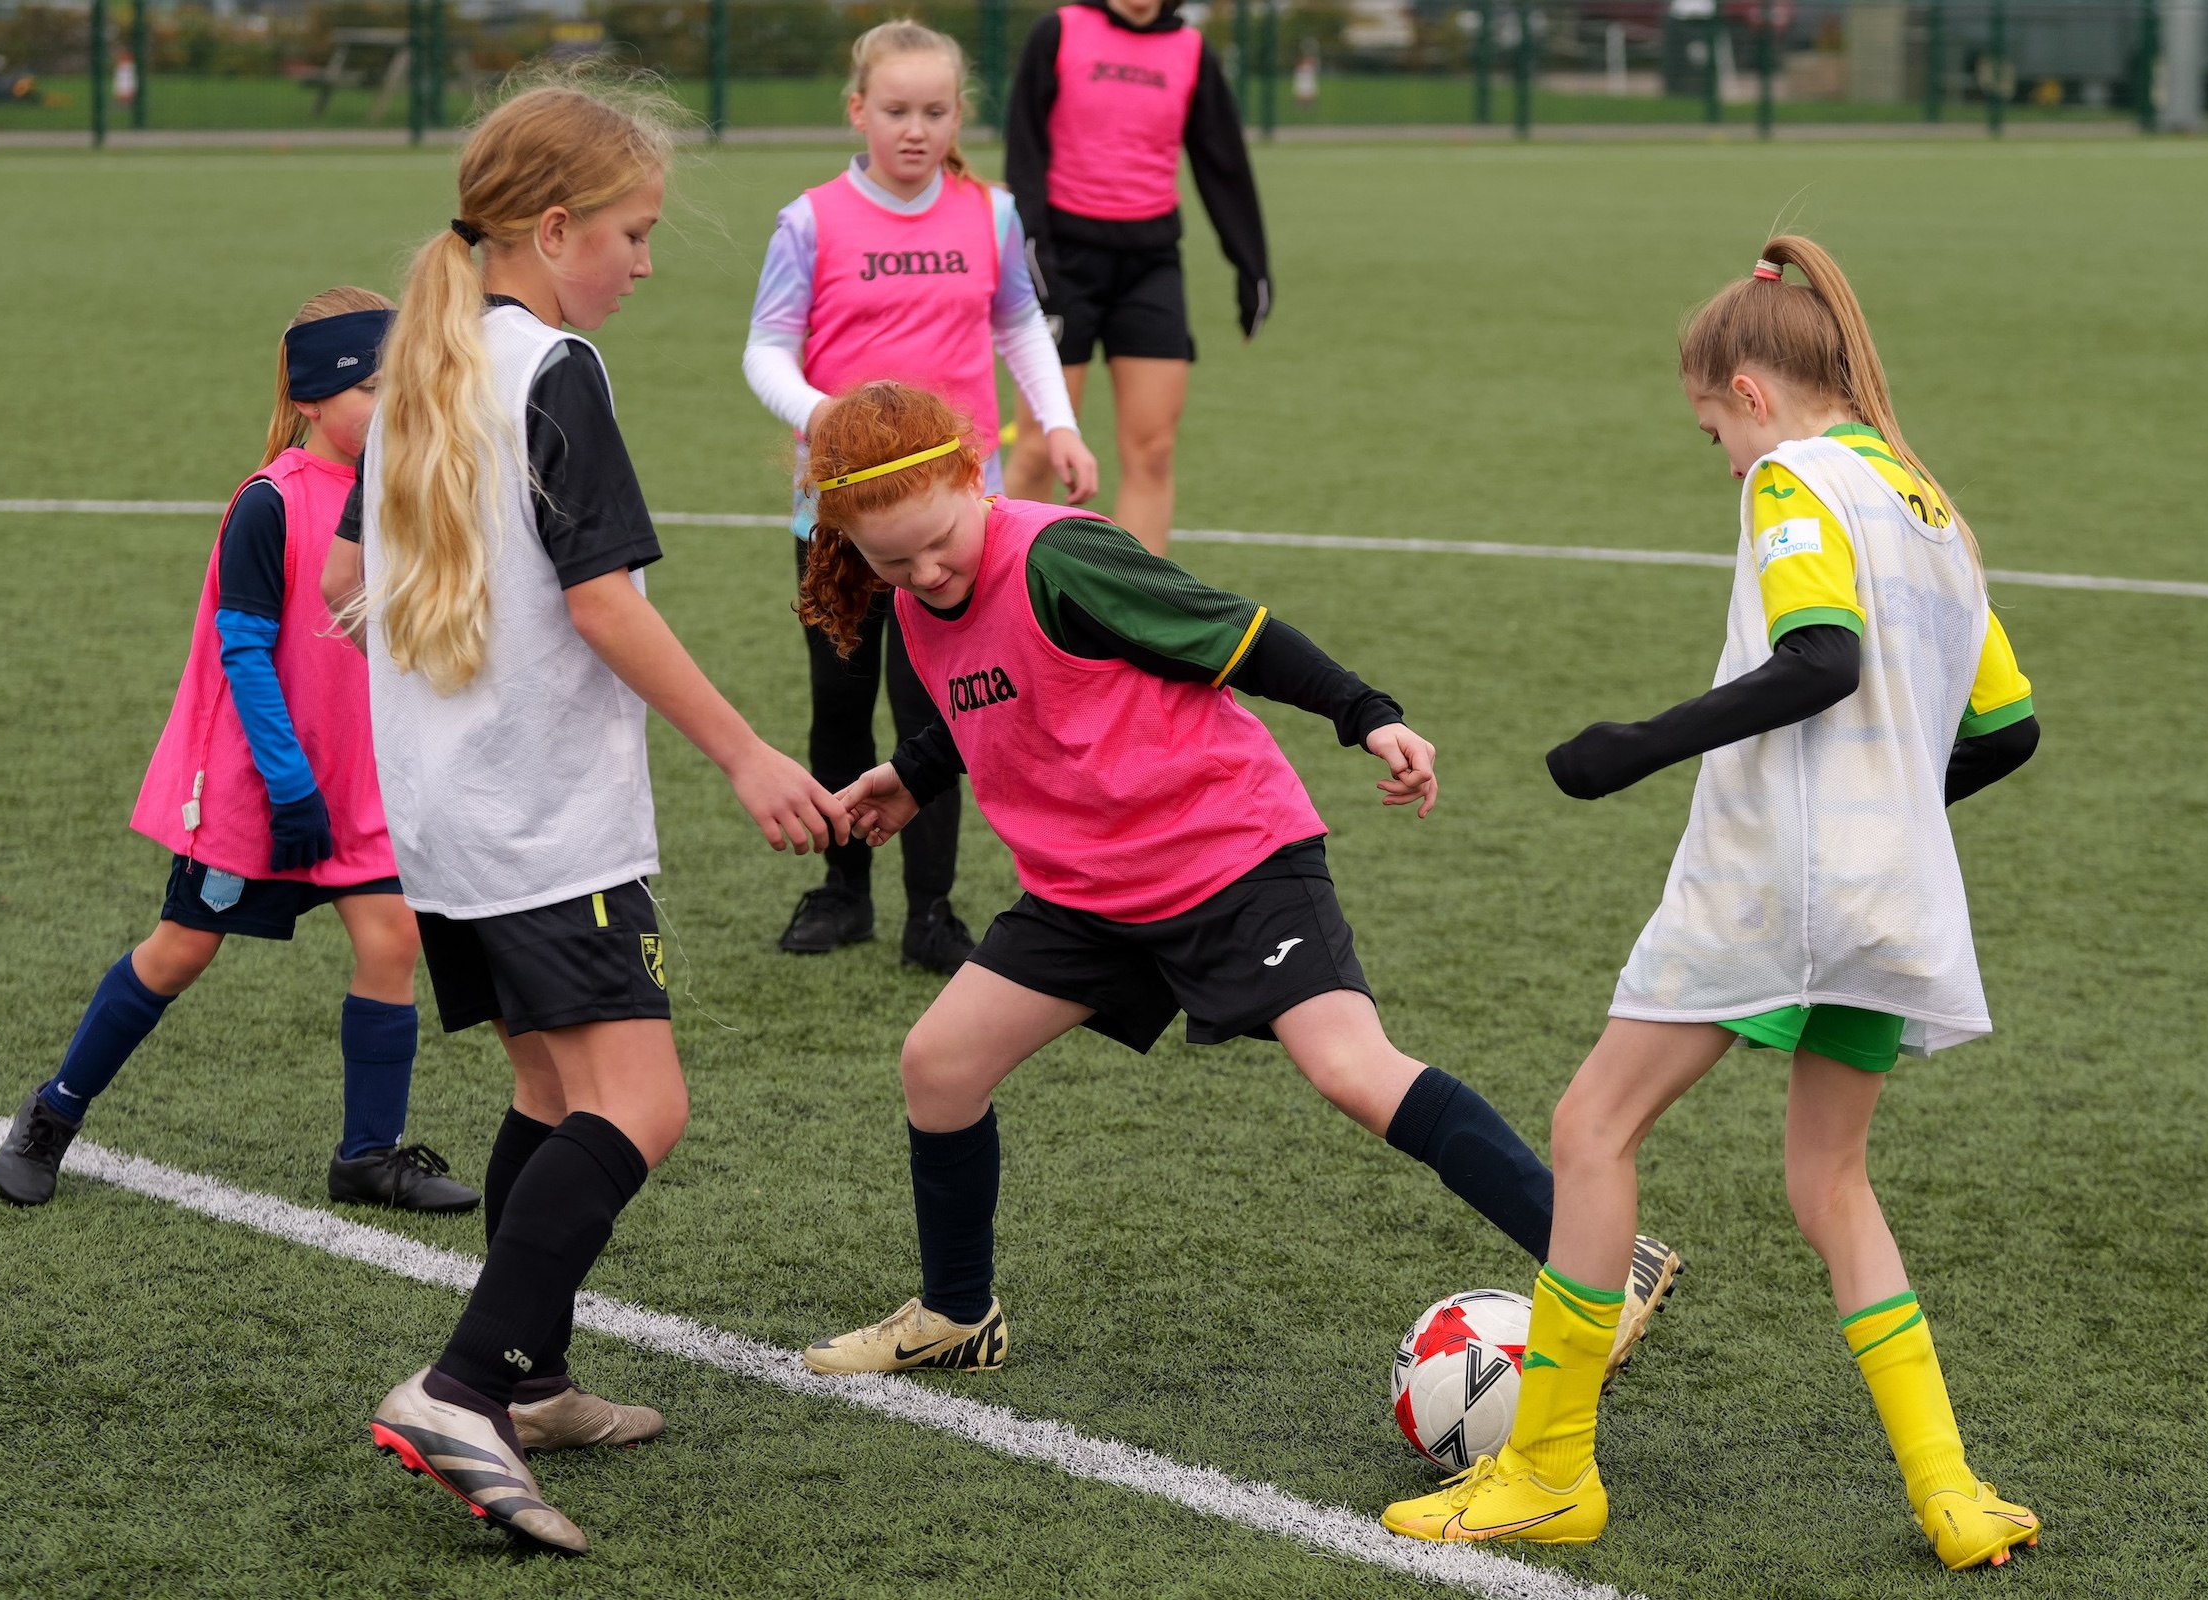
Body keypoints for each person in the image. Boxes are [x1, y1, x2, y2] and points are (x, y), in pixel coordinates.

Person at [784, 380, 1678, 1387]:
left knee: (1350, 1067)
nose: (926, 570)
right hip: (1089, 890)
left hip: (1229, 855)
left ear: (973, 475)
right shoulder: (915, 597)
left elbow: (1238, 634)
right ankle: (957, 1313)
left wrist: (1366, 712)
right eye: (891, 559)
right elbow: (997, 693)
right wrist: (913, 774)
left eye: (937, 541)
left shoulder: (1063, 555)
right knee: (938, 1066)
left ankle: (1602, 1253)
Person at [1382, 236, 2042, 1570]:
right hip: (1896, 904)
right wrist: (1892, 817)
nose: (1725, 464)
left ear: (1749, 390)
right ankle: (1953, 1495)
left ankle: (1550, 1471)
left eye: (1711, 434)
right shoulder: (1930, 506)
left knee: (1591, 1129)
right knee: (1832, 1181)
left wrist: (1638, 742)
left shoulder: (1795, 478)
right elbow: (2009, 729)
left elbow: (1820, 662)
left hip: (1773, 888)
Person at [323, 79, 847, 1555]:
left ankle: (536, 1381)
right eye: (634, 231)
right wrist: (749, 754)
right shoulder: (552, 369)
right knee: (642, 1104)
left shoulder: (420, 365)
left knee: (553, 1095)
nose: (645, 259)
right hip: (545, 821)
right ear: (552, 231)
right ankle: (466, 1386)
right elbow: (605, 603)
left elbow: (348, 593)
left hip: (447, 818)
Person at [0, 289, 477, 1216]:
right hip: (263, 785)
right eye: (375, 389)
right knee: (180, 951)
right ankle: (54, 1112)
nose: (395, 407)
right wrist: (290, 783)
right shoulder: (270, 503)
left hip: (360, 784)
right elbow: (243, 649)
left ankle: (367, 1157)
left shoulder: (400, 493)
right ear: (311, 400)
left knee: (391, 938)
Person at [746, 19, 1098, 973]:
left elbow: (1021, 325)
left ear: (957, 115)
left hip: (956, 519)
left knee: (938, 718)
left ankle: (932, 912)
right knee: (839, 702)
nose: (915, 129)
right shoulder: (811, 219)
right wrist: (827, 419)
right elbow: (765, 348)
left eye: (934, 111)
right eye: (895, 110)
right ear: (859, 110)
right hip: (840, 516)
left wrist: (1057, 421)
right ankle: (843, 890)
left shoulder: (991, 212)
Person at [1000, 0, 1269, 556]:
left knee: (1153, 451)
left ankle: (1129, 619)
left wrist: (1252, 266)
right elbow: (1024, 150)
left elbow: (1222, 163)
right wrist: (1034, 254)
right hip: (1061, 264)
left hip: (1150, 266)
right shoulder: (1059, 31)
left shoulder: (1191, 51)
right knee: (1036, 448)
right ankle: (1011, 603)